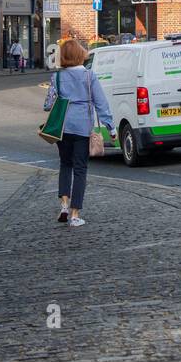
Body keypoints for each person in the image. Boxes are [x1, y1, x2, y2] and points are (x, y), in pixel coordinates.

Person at [43, 38, 113, 228]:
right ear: (81, 55)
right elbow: (101, 103)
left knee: (65, 164)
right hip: (82, 127)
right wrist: (110, 127)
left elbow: (48, 104)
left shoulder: (56, 77)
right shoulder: (90, 76)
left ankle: (64, 205)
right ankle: (75, 215)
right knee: (80, 169)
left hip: (62, 128)